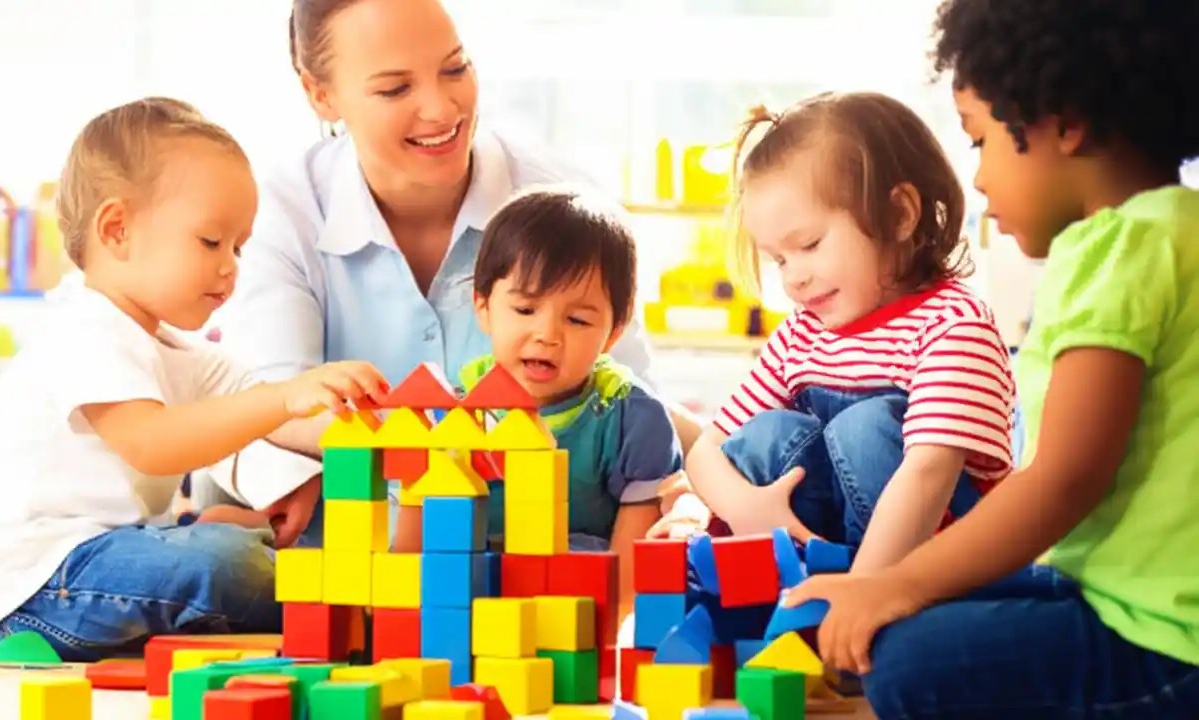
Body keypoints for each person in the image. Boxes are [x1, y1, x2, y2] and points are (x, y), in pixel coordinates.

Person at [785, 2, 1199, 717]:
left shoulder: (1116, 251)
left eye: (981, 141)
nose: (977, 180)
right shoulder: (1178, 230)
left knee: (909, 659)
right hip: (1121, 593)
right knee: (920, 609)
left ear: (1063, 122)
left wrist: (896, 583)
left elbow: (1064, 480)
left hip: (1162, 637)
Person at [206, 0, 702, 543]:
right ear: (320, 94)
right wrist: (432, 446)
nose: (441, 109)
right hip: (350, 551)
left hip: (544, 553)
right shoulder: (279, 212)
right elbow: (271, 403)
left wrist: (697, 491)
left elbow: (627, 402)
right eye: (395, 88)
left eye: (455, 68)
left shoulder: (561, 201)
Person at [0, 97, 385, 661]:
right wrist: (284, 397)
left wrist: (379, 432)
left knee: (234, 549)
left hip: (102, 560)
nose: (230, 266)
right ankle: (329, 604)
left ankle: (270, 573)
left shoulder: (176, 349)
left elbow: (267, 415)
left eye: (239, 247)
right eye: (210, 242)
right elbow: (156, 443)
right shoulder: (84, 329)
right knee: (226, 562)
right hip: (36, 585)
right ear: (118, 229)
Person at [685, 92, 1015, 574]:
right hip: (827, 550)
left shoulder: (952, 325)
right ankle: (766, 587)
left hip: (937, 561)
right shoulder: (803, 333)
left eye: (810, 244)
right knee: (771, 432)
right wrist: (746, 508)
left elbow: (927, 474)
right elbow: (705, 452)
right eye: (779, 258)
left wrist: (862, 599)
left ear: (900, 215)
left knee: (866, 425)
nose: (793, 277)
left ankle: (859, 604)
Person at [453, 186, 689, 616]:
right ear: (483, 308)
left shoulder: (632, 419)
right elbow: (424, 545)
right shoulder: (460, 412)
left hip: (580, 607)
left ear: (613, 333)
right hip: (478, 606)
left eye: (578, 319)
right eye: (525, 310)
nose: (547, 334)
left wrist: (603, 645)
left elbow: (628, 569)